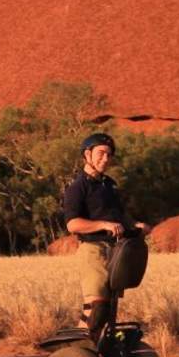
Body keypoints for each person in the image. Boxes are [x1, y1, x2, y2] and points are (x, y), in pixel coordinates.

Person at [59, 133, 147, 331]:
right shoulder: (77, 188)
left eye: (109, 155)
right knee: (96, 306)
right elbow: (73, 225)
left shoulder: (110, 185)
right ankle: (77, 352)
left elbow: (121, 214)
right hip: (93, 249)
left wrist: (136, 225)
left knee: (109, 309)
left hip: (117, 250)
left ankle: (99, 353)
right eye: (101, 153)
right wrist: (104, 225)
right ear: (87, 154)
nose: (106, 159)